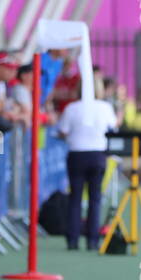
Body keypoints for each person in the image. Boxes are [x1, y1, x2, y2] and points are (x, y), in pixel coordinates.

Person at [56, 74, 118, 250]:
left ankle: (73, 239)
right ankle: (92, 239)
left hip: (76, 154)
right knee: (95, 198)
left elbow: (63, 130)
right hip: (98, 154)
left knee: (75, 197)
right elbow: (113, 127)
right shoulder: (105, 107)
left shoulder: (72, 108)